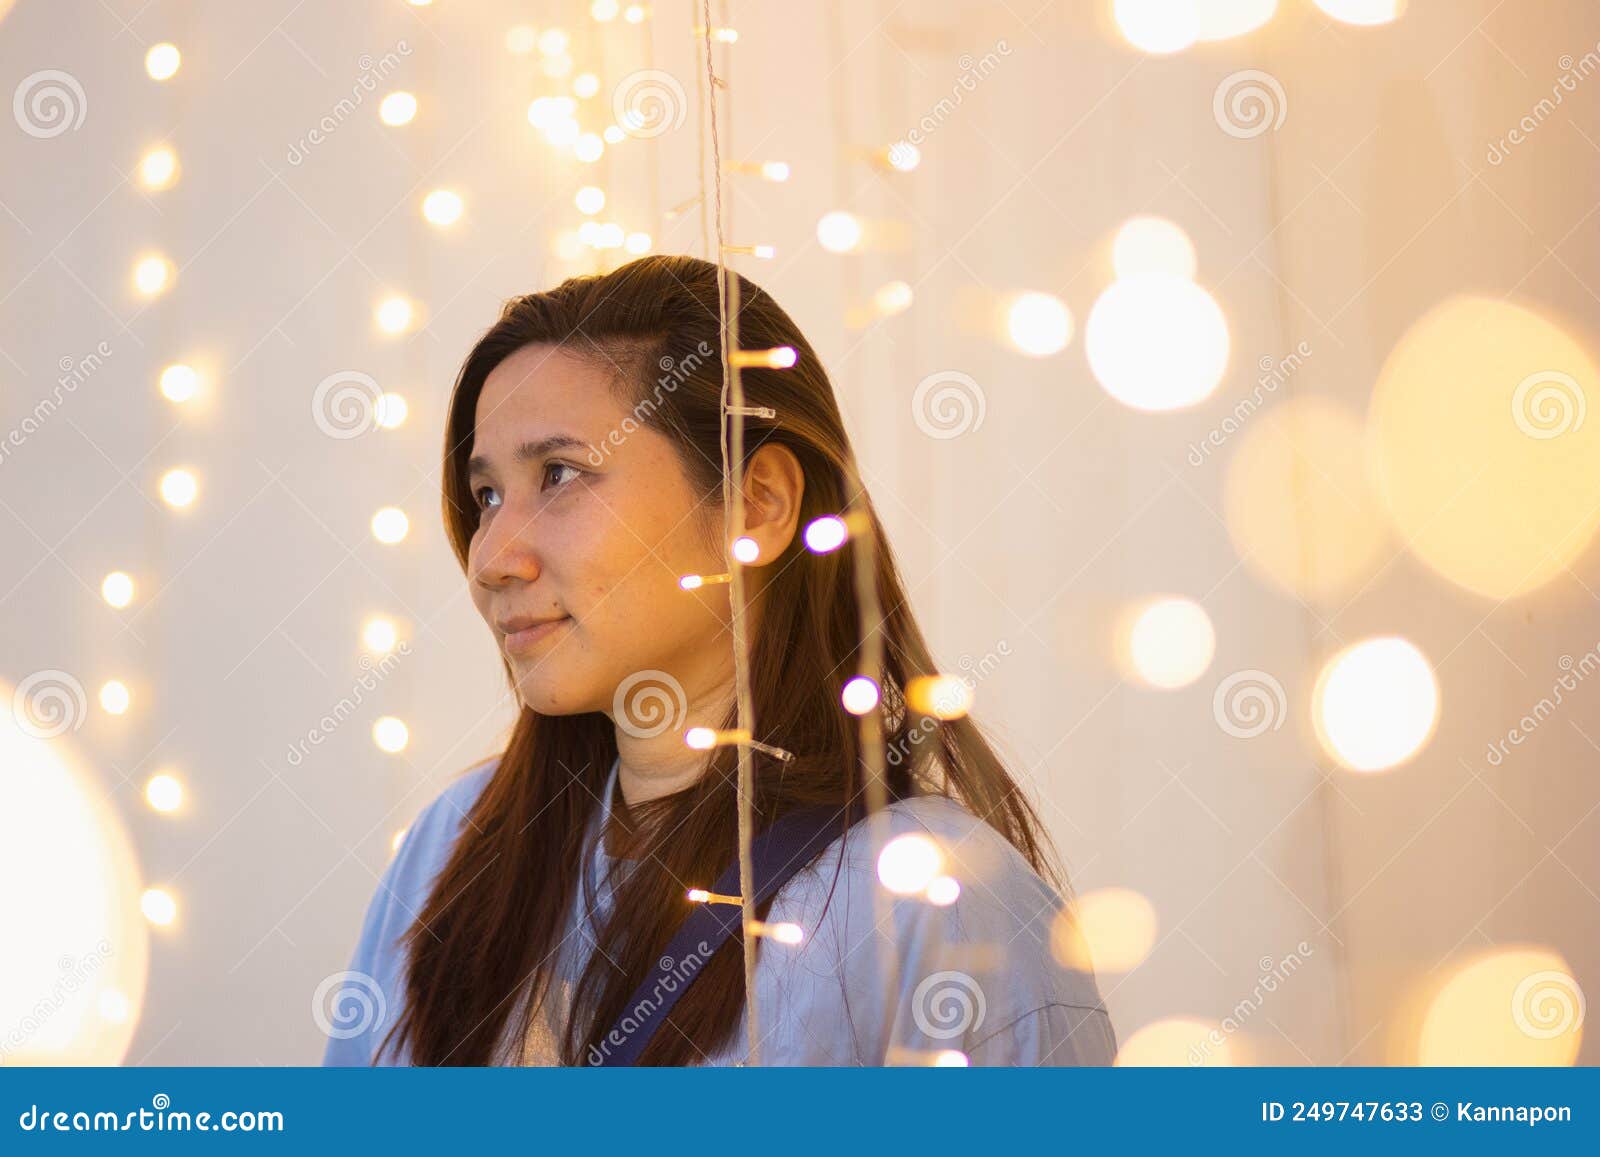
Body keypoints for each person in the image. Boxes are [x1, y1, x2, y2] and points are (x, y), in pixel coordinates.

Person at [322, 254, 1116, 1067]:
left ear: (757, 504)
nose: (491, 555)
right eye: (486, 494)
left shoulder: (933, 905)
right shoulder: (455, 842)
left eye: (559, 475)